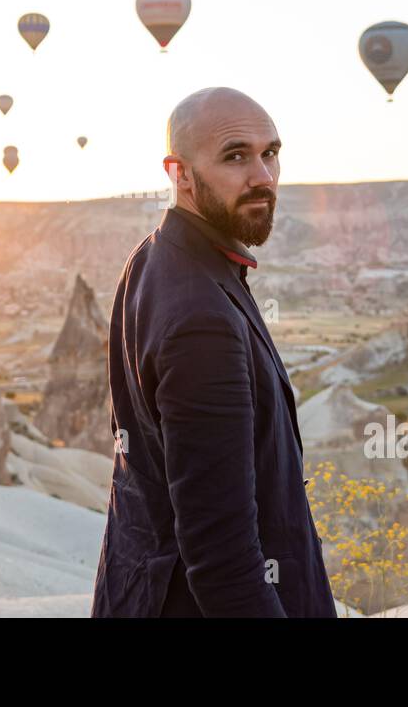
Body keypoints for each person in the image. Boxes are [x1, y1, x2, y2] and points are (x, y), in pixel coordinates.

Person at [90, 87, 336, 617]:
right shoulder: (201, 316)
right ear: (178, 173)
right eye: (235, 156)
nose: (263, 177)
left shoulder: (155, 260)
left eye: (270, 153)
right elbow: (223, 561)